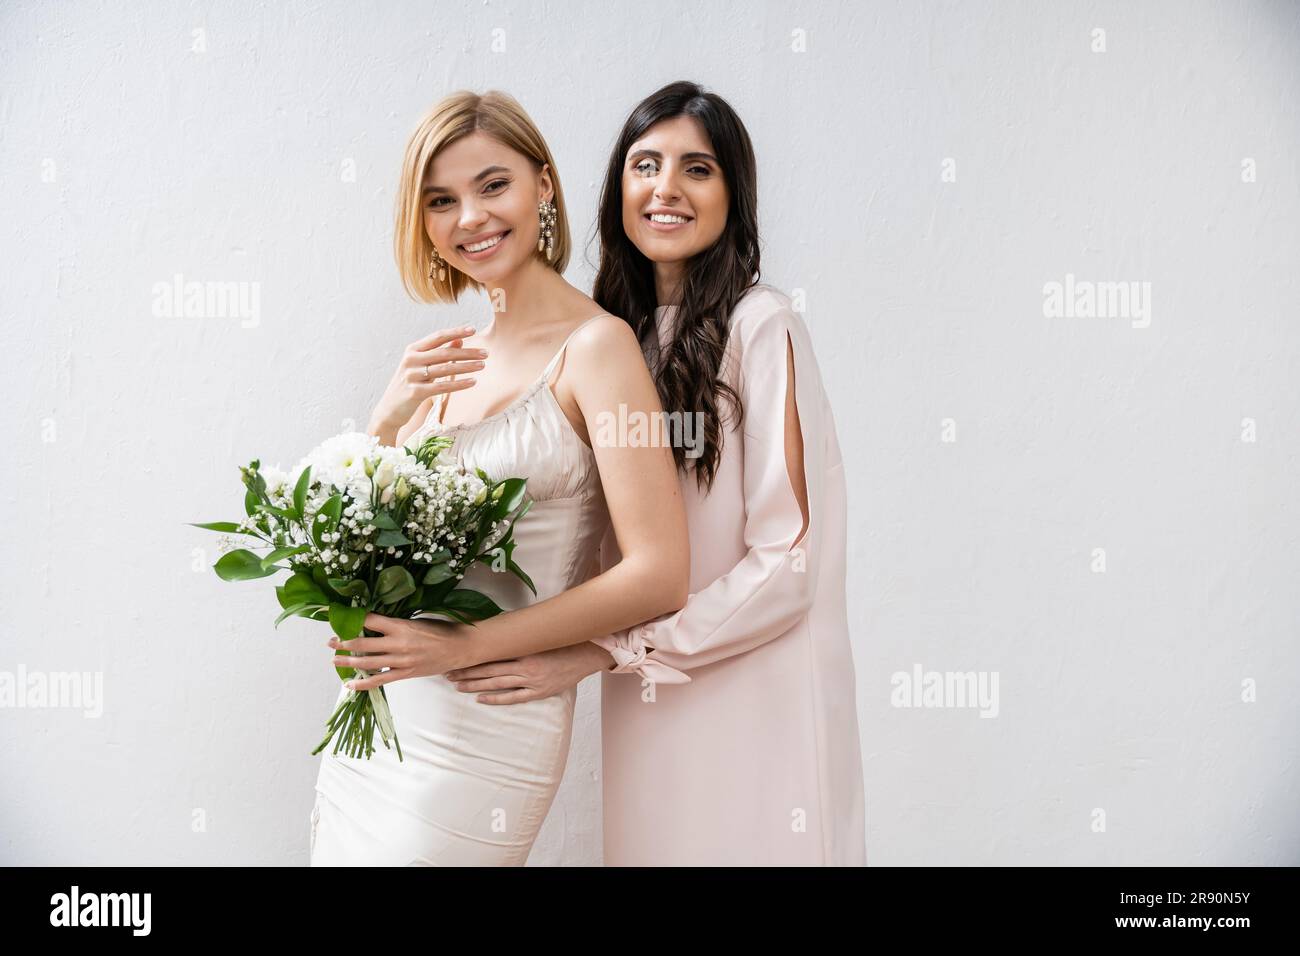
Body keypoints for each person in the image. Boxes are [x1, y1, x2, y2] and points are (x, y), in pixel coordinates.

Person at [443, 81, 868, 865]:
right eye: (646, 164)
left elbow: (789, 560)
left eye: (697, 169)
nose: (665, 188)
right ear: (617, 189)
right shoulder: (614, 338)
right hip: (649, 697)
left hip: (754, 692)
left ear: (733, 197)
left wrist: (617, 649)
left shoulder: (761, 324)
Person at [309, 89, 688, 866]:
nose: (470, 218)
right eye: (441, 200)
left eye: (492, 185)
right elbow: (355, 555)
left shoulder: (601, 349)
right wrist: (383, 421)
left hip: (485, 728)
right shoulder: (442, 365)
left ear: (542, 185)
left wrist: (460, 649)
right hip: (380, 727)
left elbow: (660, 572)